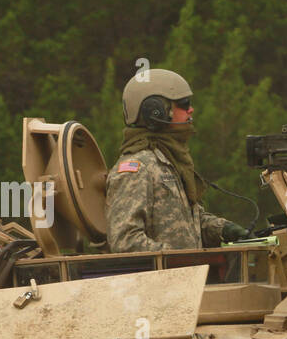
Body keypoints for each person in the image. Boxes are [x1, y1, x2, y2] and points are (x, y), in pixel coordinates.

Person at [106, 68, 251, 252]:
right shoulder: (136, 168)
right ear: (156, 111)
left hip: (184, 278)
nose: (191, 109)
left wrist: (224, 229)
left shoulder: (169, 162)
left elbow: (187, 226)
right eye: (184, 104)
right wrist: (176, 258)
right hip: (162, 279)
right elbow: (124, 241)